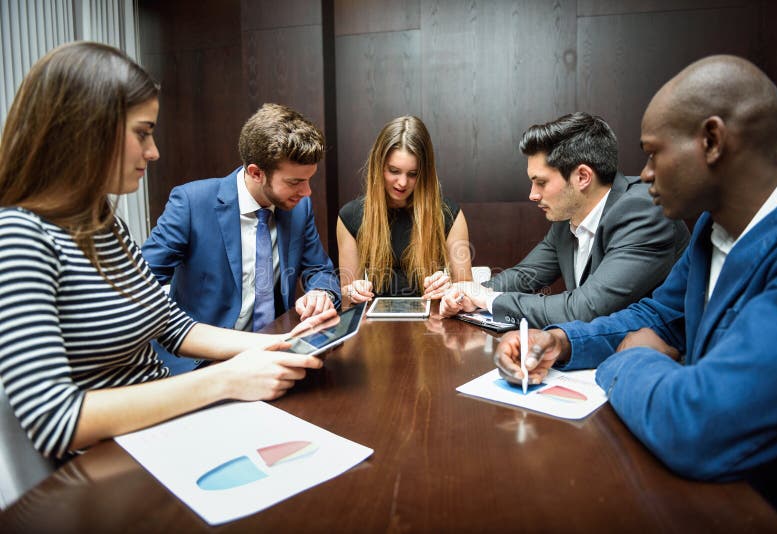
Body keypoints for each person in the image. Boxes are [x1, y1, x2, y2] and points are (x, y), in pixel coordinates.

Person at [495, 55, 777, 526]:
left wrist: (631, 359)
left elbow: (699, 424)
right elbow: (659, 317)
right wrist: (559, 342)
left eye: (654, 153)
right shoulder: (710, 229)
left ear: (713, 141)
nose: (646, 174)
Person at [0, 41, 336, 460]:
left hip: (162, 432)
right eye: (142, 133)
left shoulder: (108, 226)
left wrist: (278, 343)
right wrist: (224, 381)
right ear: (84, 131)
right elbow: (56, 420)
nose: (154, 151)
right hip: (111, 461)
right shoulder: (19, 236)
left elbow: (174, 328)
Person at [141, 103, 340, 373]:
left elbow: (320, 268)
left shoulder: (298, 209)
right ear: (256, 173)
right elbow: (141, 286)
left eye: (309, 180)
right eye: (295, 182)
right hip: (202, 363)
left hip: (274, 353)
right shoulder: (192, 203)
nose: (307, 193)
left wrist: (321, 292)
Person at [440, 112, 689, 327]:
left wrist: (487, 299)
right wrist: (465, 293)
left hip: (656, 359)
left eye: (541, 182)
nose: (532, 194)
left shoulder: (644, 211)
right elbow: (525, 276)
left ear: (582, 177)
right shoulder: (566, 219)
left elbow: (585, 309)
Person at [337, 116, 472, 303]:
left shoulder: (449, 214)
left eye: (413, 174)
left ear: (424, 173)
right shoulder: (350, 216)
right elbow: (346, 293)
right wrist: (353, 291)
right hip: (376, 328)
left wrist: (451, 290)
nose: (402, 183)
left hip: (433, 325)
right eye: (393, 171)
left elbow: (467, 289)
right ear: (379, 166)